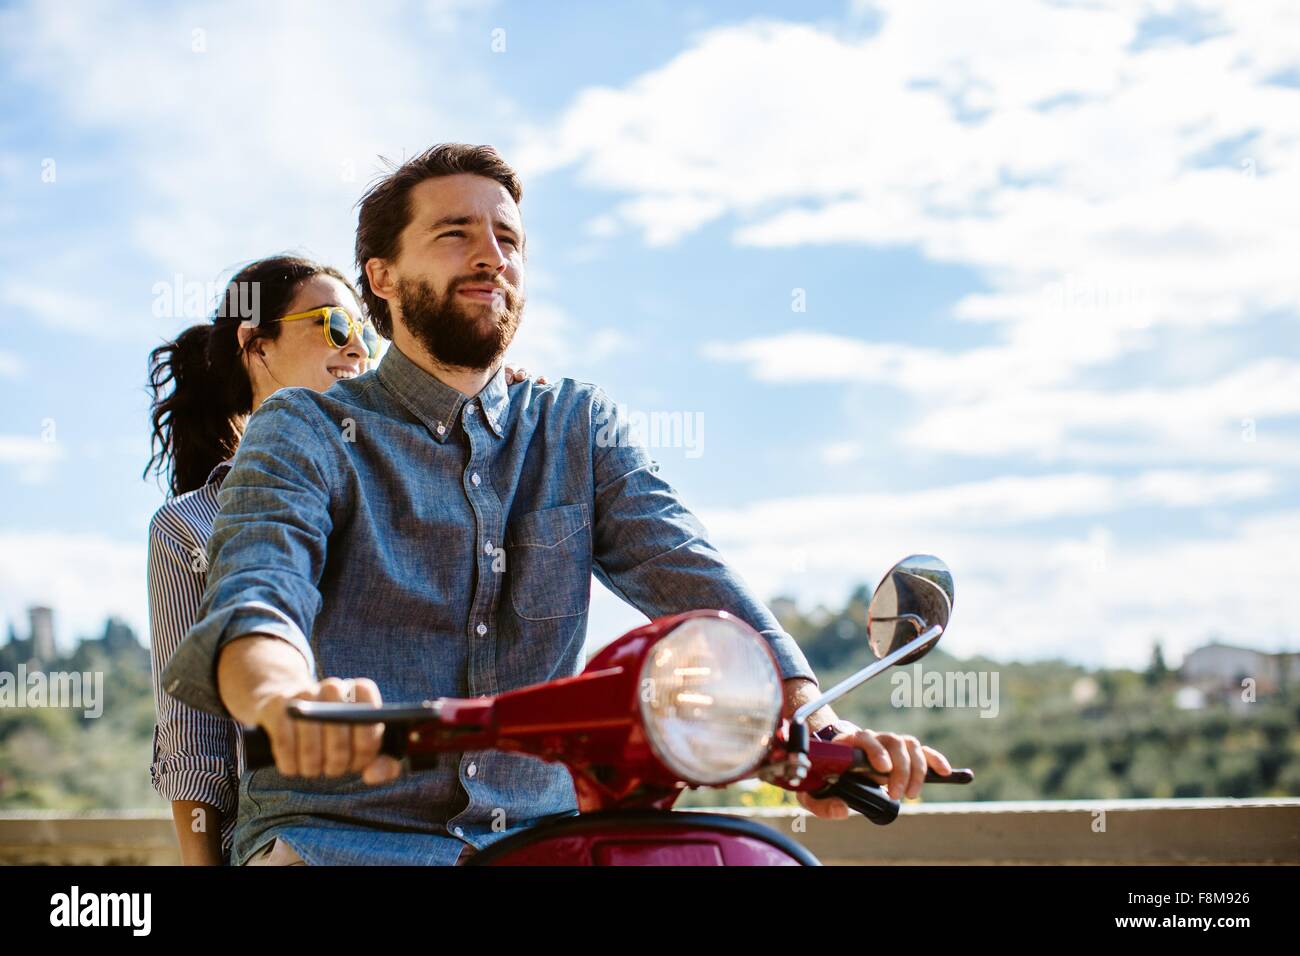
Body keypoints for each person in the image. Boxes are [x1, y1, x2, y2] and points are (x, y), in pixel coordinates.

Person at [163, 144, 951, 867]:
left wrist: (814, 725)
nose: (490, 257)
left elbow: (685, 567)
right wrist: (288, 700)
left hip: (546, 842)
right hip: (338, 842)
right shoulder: (304, 428)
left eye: (509, 240)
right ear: (382, 277)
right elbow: (259, 591)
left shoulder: (576, 425)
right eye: (454, 234)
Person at [144, 253, 540, 864]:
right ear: (257, 345)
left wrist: (488, 407)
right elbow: (192, 732)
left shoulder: (406, 475)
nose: (356, 347)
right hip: (305, 830)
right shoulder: (187, 524)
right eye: (333, 324)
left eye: (365, 332)